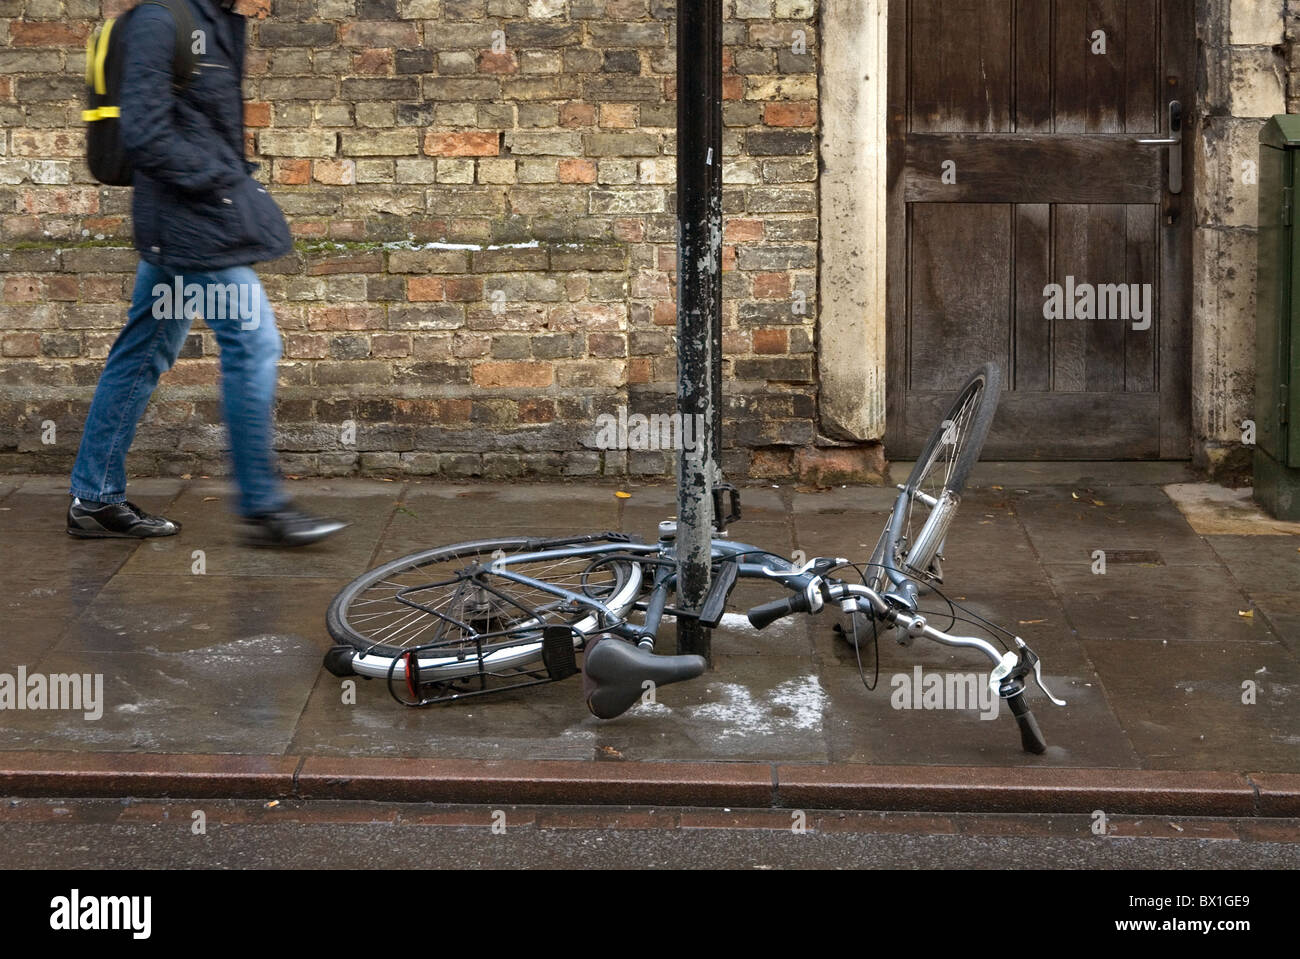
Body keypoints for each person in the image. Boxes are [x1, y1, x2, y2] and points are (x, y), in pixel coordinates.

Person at [67, 0, 346, 548]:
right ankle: (264, 507)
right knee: (254, 342)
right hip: (190, 225)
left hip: (189, 221)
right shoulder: (161, 21)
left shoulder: (213, 24)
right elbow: (145, 132)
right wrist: (224, 181)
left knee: (143, 352)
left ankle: (96, 496)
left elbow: (194, 123)